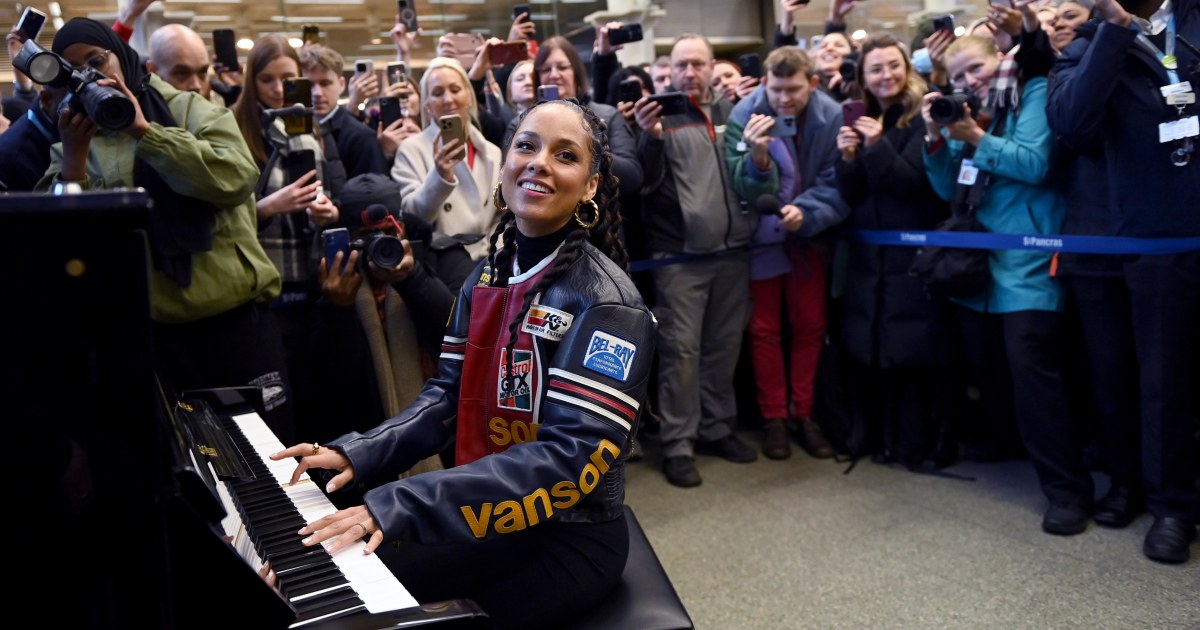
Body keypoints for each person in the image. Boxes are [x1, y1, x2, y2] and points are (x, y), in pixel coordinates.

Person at [271, 99, 656, 629]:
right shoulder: (487, 277)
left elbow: (571, 456)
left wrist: (400, 502)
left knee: (373, 605)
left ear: (590, 185)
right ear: (506, 165)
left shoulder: (608, 303)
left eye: (564, 155)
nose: (539, 161)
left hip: (565, 540)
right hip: (486, 517)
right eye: (526, 145)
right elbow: (448, 398)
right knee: (331, 578)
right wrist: (356, 454)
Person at [37, 18, 295, 442]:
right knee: (186, 469)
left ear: (123, 57)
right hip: (153, 341)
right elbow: (58, 242)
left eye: (98, 59)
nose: (92, 74)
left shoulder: (195, 111)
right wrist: (74, 161)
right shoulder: (74, 143)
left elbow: (234, 180)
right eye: (74, 67)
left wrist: (145, 132)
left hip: (236, 329)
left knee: (270, 457)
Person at [1046, 0, 1199, 564]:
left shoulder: (1186, 28)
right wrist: (1113, 30)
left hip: (1168, 236)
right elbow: (1072, 126)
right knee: (1110, 376)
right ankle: (1126, 483)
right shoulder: (1082, 46)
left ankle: (1174, 506)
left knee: (1166, 380)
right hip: (1095, 239)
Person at [922, 35, 1093, 536]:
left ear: (1000, 58)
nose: (969, 81)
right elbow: (947, 186)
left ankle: (1068, 491)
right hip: (978, 264)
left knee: (1036, 377)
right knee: (991, 371)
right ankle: (1010, 447)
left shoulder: (1034, 91)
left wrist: (974, 136)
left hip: (1029, 260)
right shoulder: (970, 109)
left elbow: (1037, 165)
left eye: (975, 68)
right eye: (958, 76)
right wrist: (937, 141)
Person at [631, 33, 760, 487]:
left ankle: (717, 427)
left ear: (711, 67)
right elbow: (639, 185)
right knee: (681, 353)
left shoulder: (732, 113)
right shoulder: (657, 120)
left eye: (698, 64)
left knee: (724, 347)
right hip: (678, 259)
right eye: (681, 65)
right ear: (668, 71)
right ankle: (679, 443)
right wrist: (648, 139)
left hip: (733, 252)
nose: (690, 72)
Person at [833, 33, 958, 468]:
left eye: (892, 66)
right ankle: (885, 441)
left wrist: (874, 147)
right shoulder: (864, 116)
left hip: (914, 252)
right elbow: (849, 194)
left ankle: (921, 443)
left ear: (906, 68)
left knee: (916, 352)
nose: (886, 75)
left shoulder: (919, 115)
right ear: (863, 78)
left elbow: (917, 186)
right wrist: (847, 159)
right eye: (876, 69)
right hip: (869, 257)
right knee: (877, 350)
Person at [725, 46, 846, 461]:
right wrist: (758, 157)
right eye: (776, 89)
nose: (783, 99)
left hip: (808, 236)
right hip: (760, 238)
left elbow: (837, 180)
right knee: (763, 332)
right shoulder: (745, 113)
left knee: (811, 327)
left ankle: (805, 414)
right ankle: (774, 417)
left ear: (811, 83)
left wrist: (807, 212)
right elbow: (740, 185)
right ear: (764, 83)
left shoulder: (830, 114)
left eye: (793, 89)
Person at [232, 34, 343, 443]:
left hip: (310, 287)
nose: (279, 89)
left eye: (289, 79)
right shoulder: (235, 128)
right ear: (251, 81)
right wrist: (268, 206)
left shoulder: (305, 128)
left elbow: (321, 193)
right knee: (276, 411)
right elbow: (223, 221)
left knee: (316, 401)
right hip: (261, 293)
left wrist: (325, 214)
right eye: (267, 80)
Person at [392, 56, 502, 261]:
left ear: (469, 95)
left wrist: (498, 253)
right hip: (440, 261)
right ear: (427, 105)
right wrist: (440, 177)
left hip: (488, 261)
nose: (448, 99)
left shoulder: (492, 152)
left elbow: (499, 216)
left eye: (455, 89)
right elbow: (411, 218)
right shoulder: (410, 150)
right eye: (437, 93)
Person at [517, 36, 643, 200]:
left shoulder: (607, 115)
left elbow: (632, 177)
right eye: (546, 69)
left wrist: (591, 146)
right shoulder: (523, 122)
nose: (554, 75)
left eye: (562, 67)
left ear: (576, 72)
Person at [300, 45, 390, 179]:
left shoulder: (362, 137)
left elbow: (375, 195)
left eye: (325, 83)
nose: (317, 93)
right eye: (309, 85)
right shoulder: (288, 132)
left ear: (341, 84)